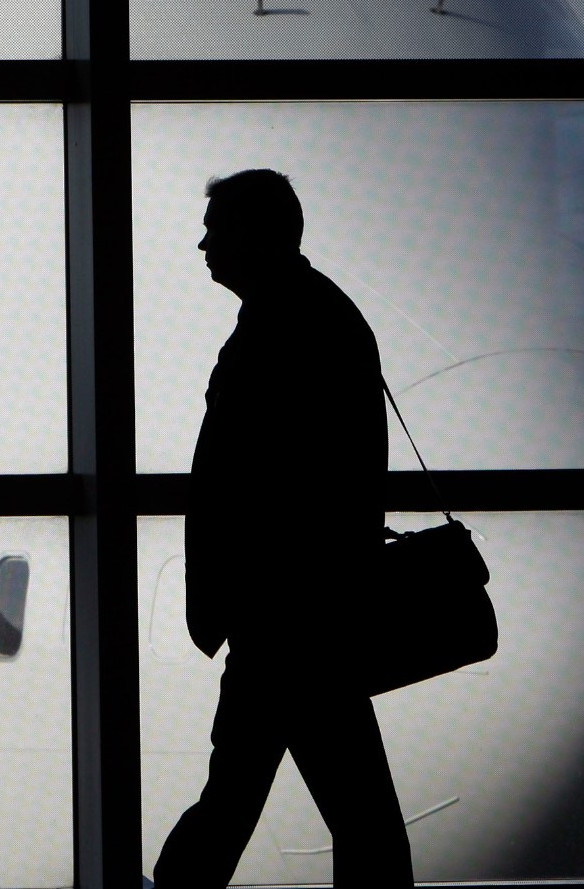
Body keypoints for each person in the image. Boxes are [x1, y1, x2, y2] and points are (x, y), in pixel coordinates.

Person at [152, 169, 413, 889]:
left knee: (239, 804)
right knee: (349, 813)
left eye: (219, 228)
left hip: (286, 617)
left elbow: (250, 480)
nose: (203, 243)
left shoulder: (281, 326)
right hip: (306, 613)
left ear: (258, 237)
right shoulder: (316, 314)